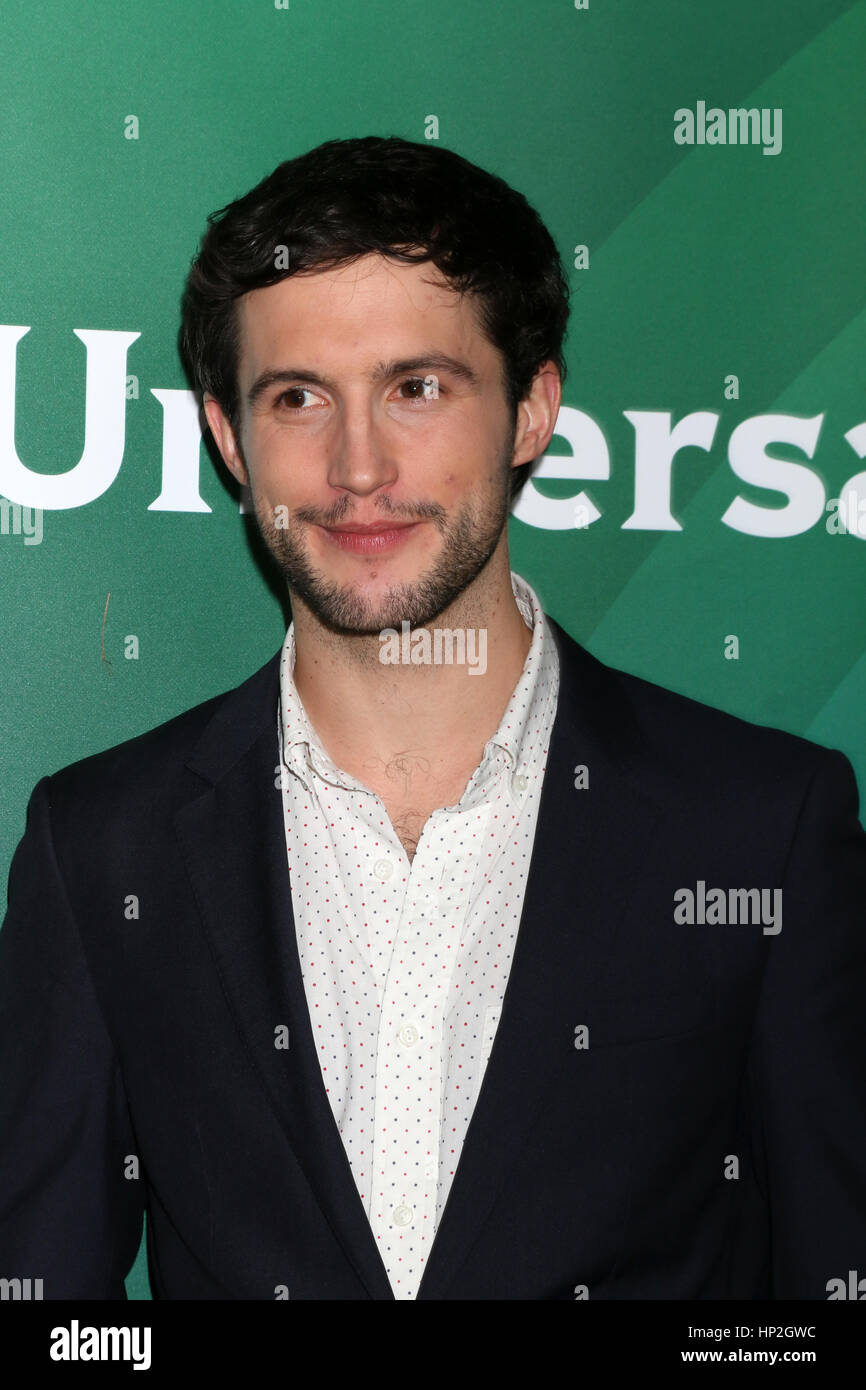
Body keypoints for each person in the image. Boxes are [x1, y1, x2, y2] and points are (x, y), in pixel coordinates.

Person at [1, 135, 864, 1302]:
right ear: (225, 439)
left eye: (416, 388)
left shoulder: (756, 824)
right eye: (297, 396)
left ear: (527, 411)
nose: (358, 466)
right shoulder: (101, 844)